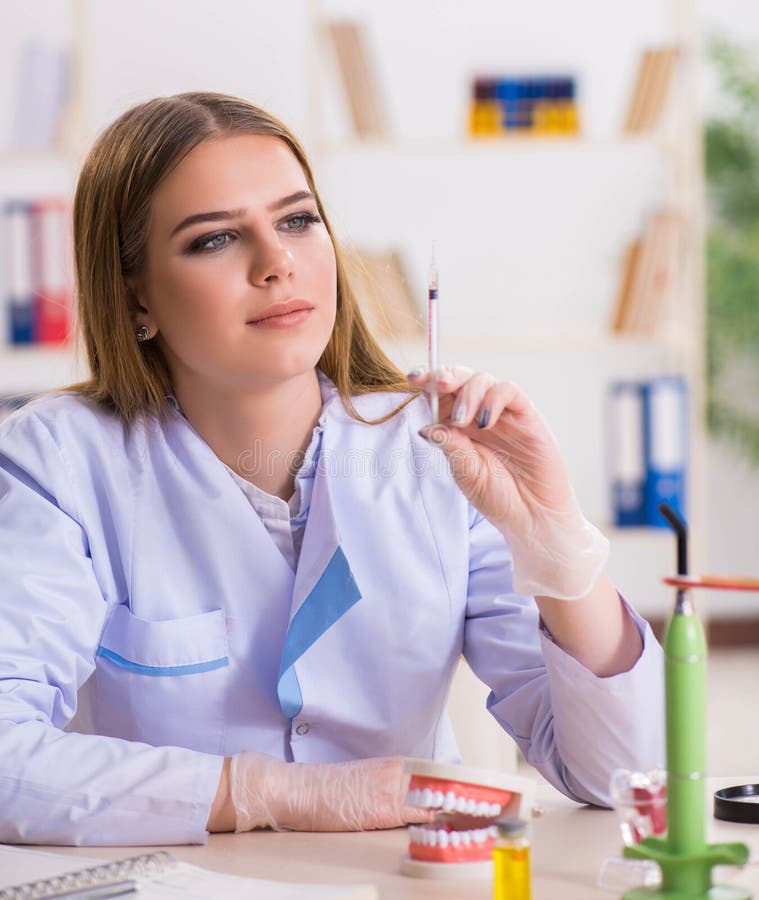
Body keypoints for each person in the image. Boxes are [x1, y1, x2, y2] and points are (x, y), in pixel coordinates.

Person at [0, 92, 664, 846]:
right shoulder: (59, 460)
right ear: (135, 298)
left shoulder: (442, 450)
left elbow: (623, 779)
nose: (277, 262)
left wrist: (558, 548)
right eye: (214, 240)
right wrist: (272, 792)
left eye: (296, 220)